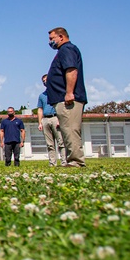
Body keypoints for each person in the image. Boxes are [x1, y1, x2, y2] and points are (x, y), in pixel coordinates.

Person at [46, 27, 87, 167]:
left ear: (61, 37)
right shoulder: (62, 51)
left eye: (52, 38)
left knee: (70, 129)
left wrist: (69, 92)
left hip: (68, 99)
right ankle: (72, 160)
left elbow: (71, 70)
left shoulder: (67, 49)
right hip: (61, 99)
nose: (50, 42)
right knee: (66, 130)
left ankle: (76, 161)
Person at [36, 74, 66, 166]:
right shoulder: (42, 96)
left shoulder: (58, 92)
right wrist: (40, 122)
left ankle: (64, 162)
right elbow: (40, 109)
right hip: (45, 119)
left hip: (55, 118)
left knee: (61, 141)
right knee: (49, 144)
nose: (45, 82)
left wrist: (60, 119)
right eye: (43, 81)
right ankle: (52, 162)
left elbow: (62, 106)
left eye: (46, 80)